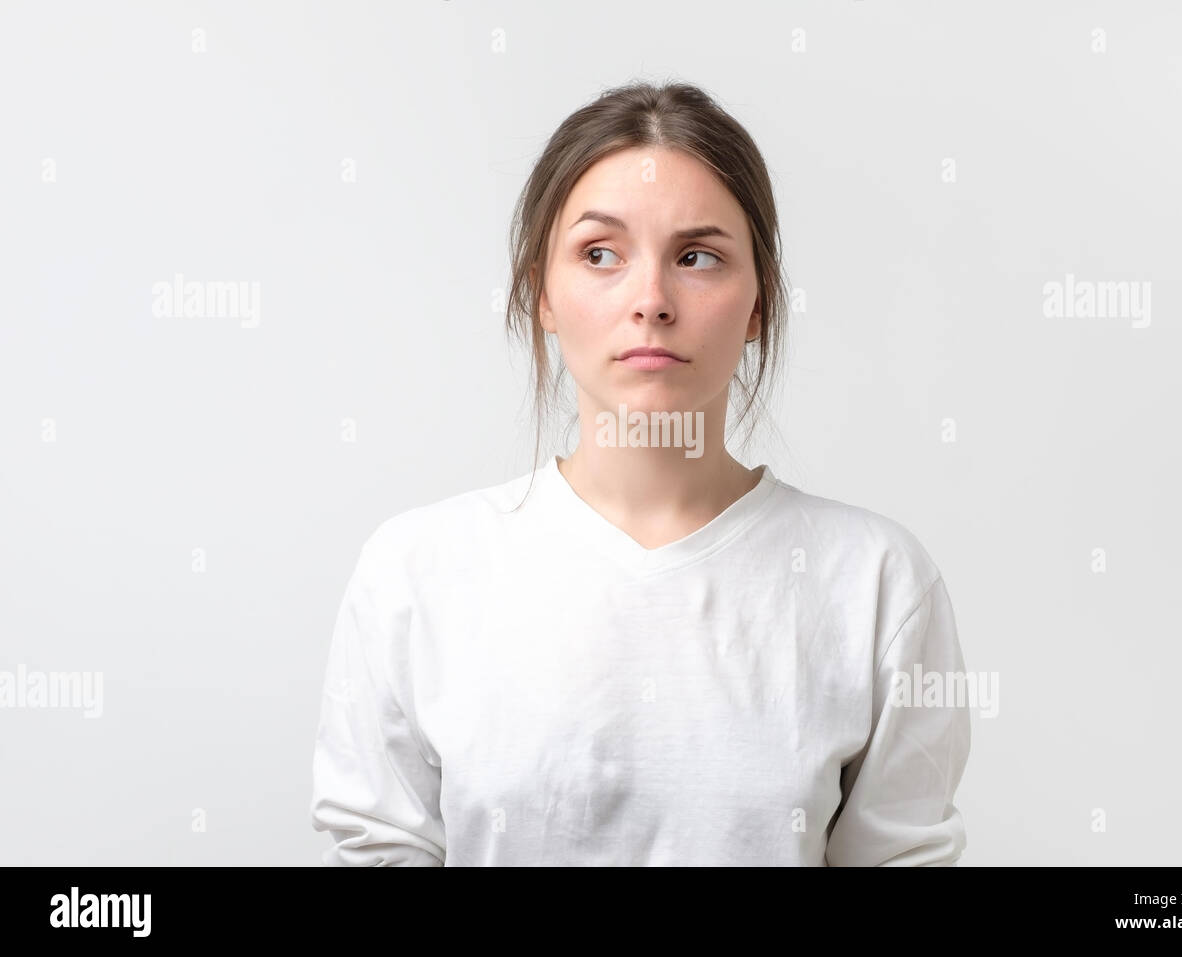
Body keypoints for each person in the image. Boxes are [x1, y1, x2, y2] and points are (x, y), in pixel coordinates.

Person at [309, 79, 971, 866]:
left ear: (759, 302)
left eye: (697, 257)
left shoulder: (876, 583)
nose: (651, 299)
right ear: (541, 293)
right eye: (601, 254)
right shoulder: (415, 573)